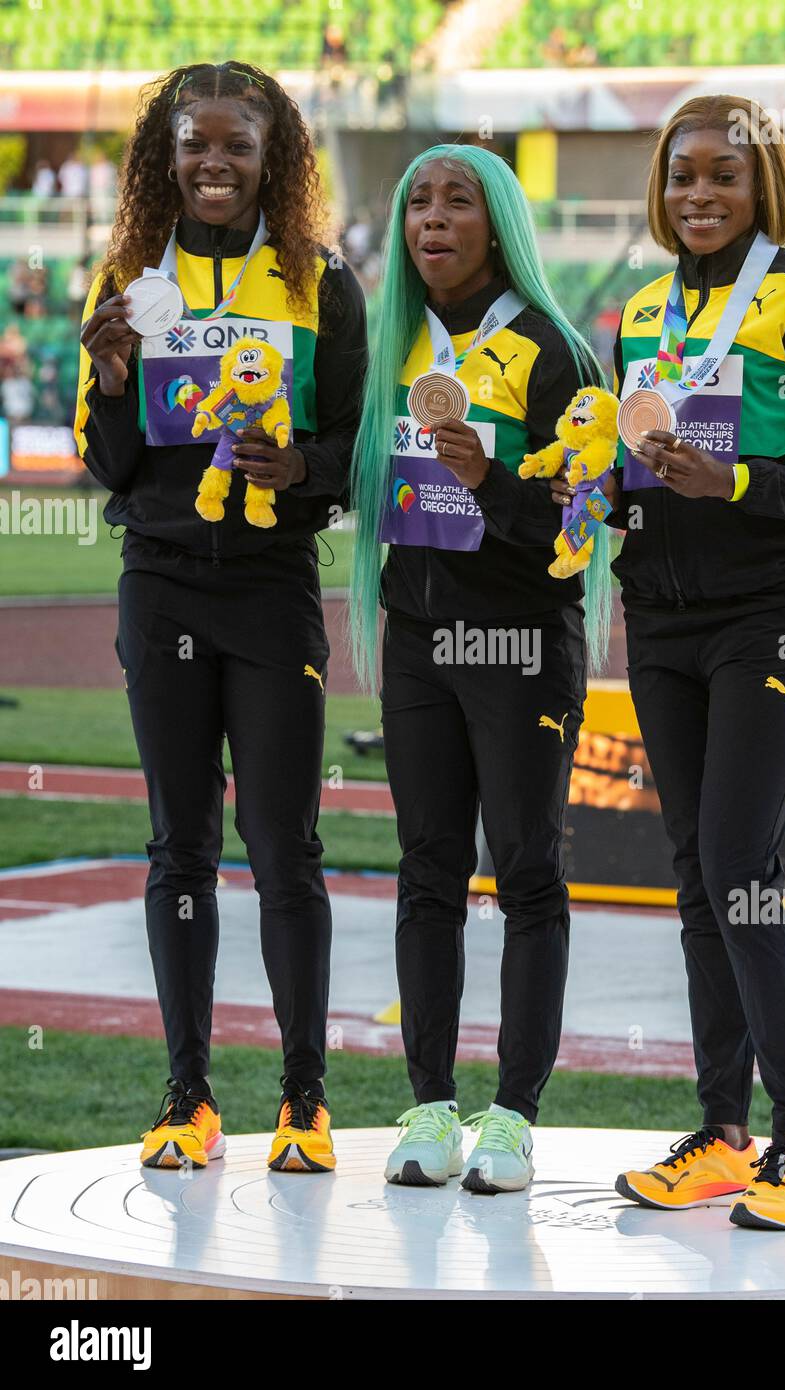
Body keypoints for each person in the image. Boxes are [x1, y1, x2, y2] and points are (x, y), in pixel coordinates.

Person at [552, 95, 785, 1230]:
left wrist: (736, 483)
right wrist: (592, 487)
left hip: (768, 616)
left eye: (722, 178)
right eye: (682, 175)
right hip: (663, 620)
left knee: (742, 862)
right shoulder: (641, 309)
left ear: (762, 187)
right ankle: (723, 1131)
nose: (699, 194)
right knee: (699, 872)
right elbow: (637, 460)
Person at [74, 61, 367, 1174]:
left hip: (270, 586)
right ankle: (187, 1094)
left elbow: (352, 447)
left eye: (236, 145)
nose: (212, 162)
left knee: (284, 847)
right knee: (178, 847)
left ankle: (304, 1100)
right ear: (166, 156)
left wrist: (299, 465)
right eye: (193, 143)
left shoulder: (317, 284)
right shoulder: (131, 282)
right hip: (160, 581)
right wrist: (107, 381)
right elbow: (110, 466)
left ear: (270, 158)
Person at [349, 143, 610, 1194]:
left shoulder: (556, 352)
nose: (434, 220)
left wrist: (489, 477)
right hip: (417, 640)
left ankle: (513, 1116)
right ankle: (429, 1104)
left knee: (528, 872)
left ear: (498, 224)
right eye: (419, 203)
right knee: (427, 872)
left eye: (459, 201)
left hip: (522, 647)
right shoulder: (394, 341)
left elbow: (584, 527)